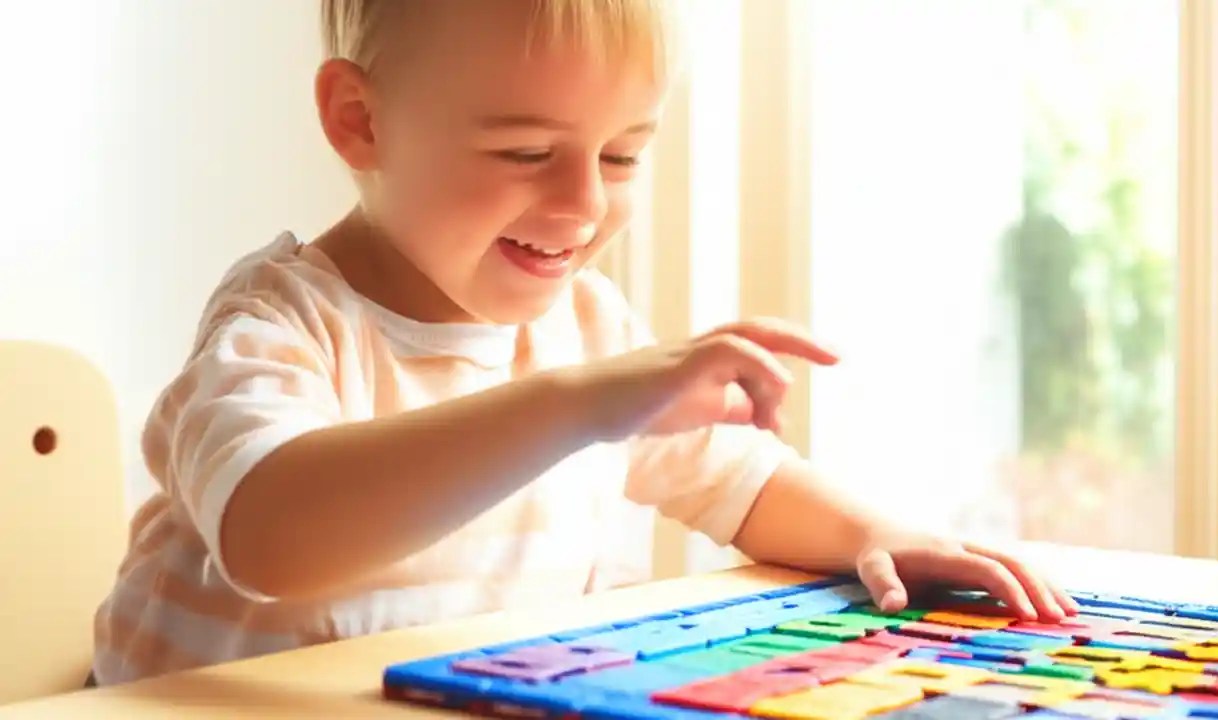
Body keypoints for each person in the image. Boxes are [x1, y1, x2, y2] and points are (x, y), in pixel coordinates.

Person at [93, 0, 1076, 686]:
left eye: (621, 155)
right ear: (360, 122)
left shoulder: (588, 325)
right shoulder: (281, 321)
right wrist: (580, 406)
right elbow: (272, 539)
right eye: (526, 152)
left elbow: (739, 482)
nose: (582, 203)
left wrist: (874, 536)